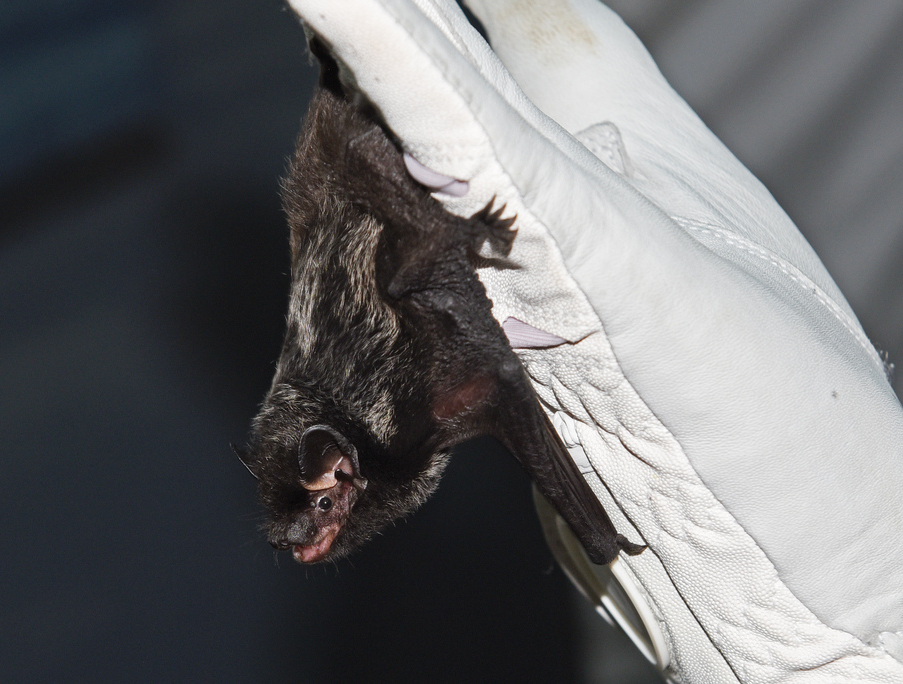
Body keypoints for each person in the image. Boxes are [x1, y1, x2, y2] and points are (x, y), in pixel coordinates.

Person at [284, 0, 903, 681]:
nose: (316, 540)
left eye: (317, 510)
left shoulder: (388, 422)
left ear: (334, 467)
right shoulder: (383, 426)